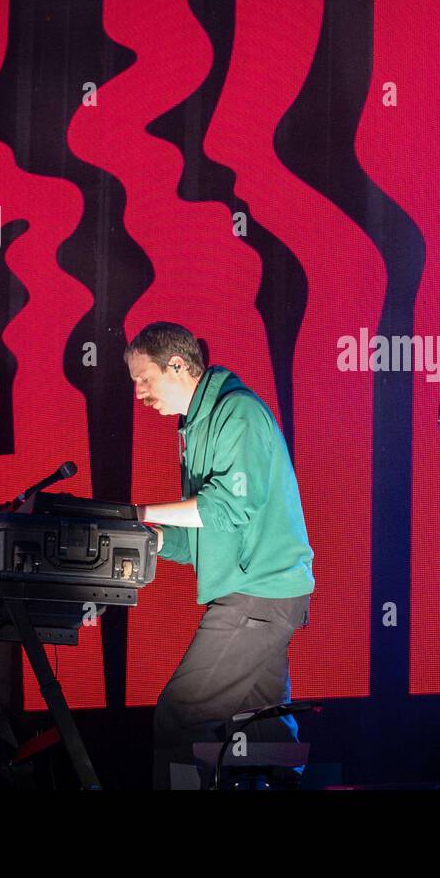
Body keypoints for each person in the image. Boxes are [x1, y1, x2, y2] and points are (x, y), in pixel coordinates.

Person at [126, 322, 315, 789]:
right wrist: (141, 536)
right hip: (259, 595)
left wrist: (140, 510)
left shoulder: (238, 412)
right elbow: (198, 538)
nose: (139, 394)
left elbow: (229, 507)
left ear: (176, 365)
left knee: (181, 714)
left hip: (257, 595)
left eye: (143, 378)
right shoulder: (195, 425)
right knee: (263, 729)